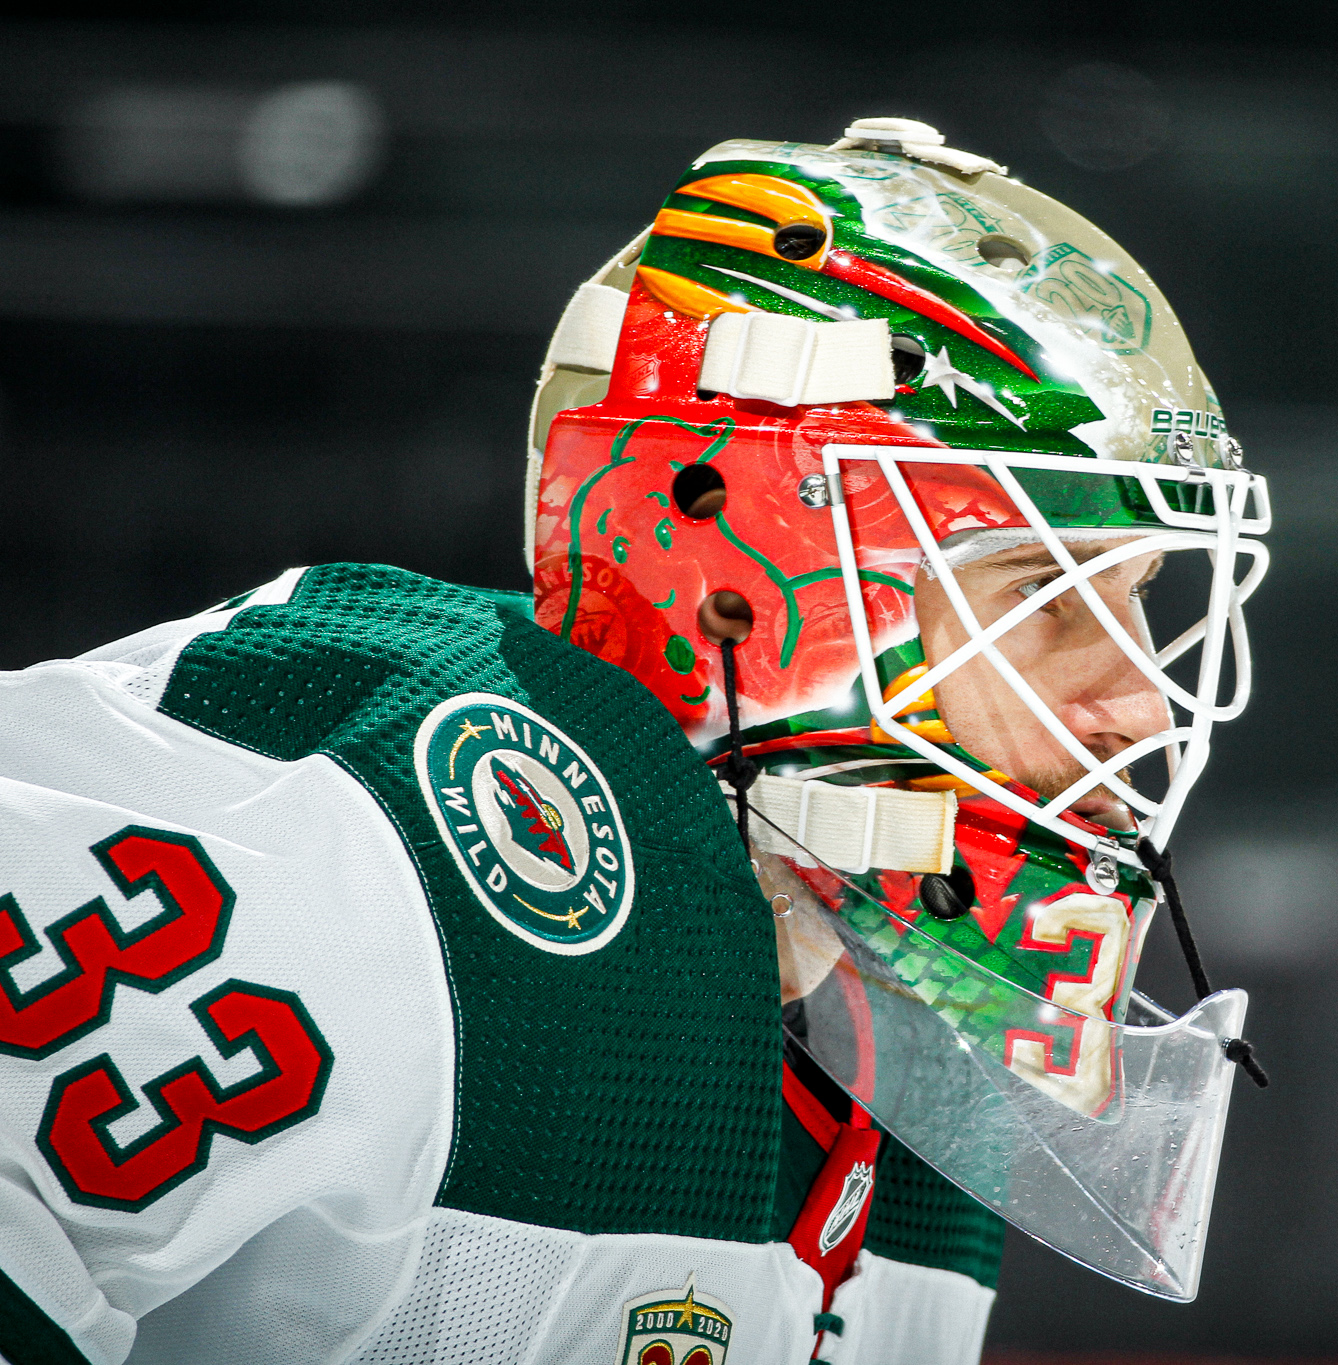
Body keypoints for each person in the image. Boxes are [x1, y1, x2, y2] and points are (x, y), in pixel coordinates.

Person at [0, 117, 1270, 1365]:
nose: (1141, 703)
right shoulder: (377, 831)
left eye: (1141, 596)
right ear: (745, 578)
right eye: (1045, 598)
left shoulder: (913, 1046)